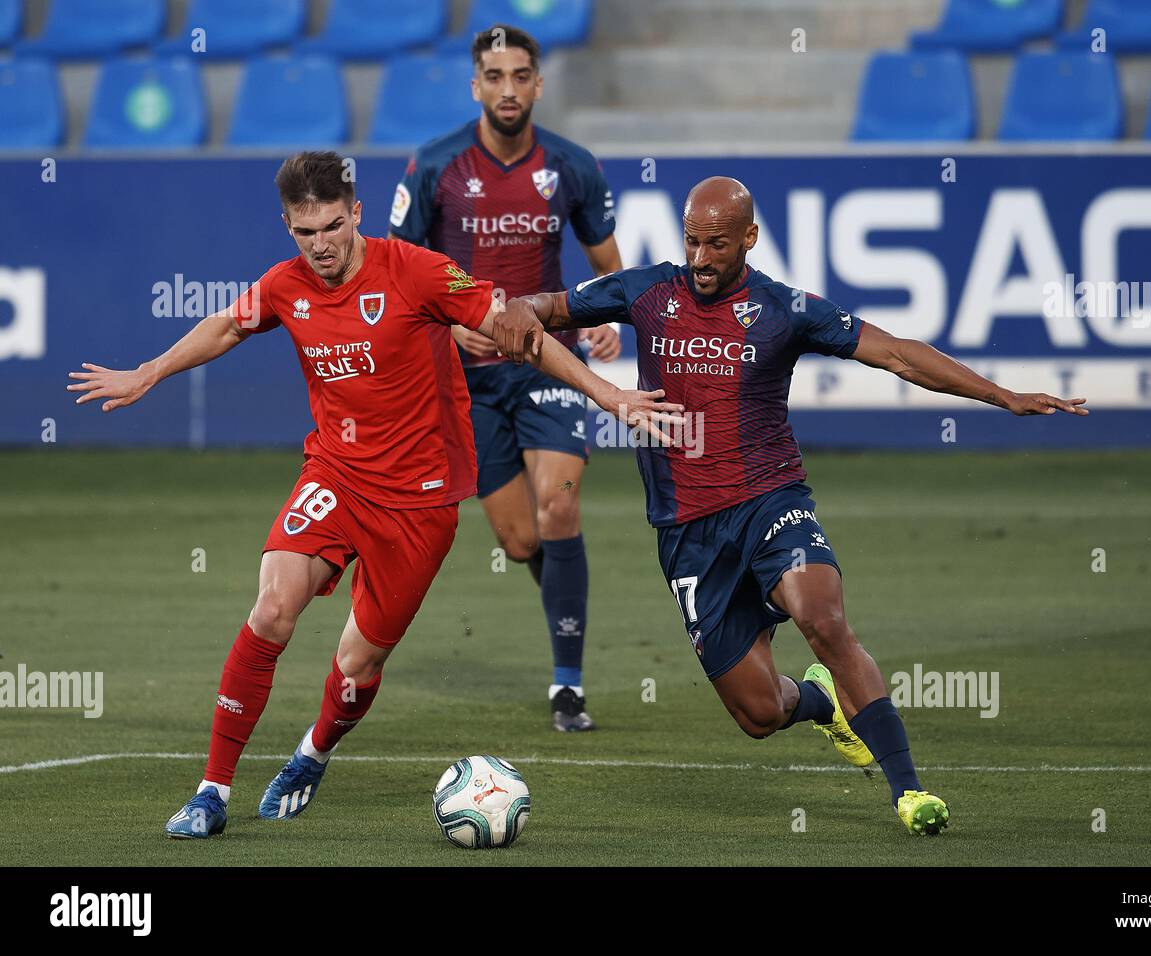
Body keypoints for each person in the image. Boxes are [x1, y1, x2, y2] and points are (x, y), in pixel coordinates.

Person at [66, 151, 680, 839]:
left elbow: (520, 331)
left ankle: (314, 750)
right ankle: (211, 790)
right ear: (287, 227)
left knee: (358, 663)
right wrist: (150, 372)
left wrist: (611, 395)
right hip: (334, 475)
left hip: (420, 503)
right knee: (272, 607)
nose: (320, 245)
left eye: (332, 226)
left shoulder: (416, 272)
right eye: (305, 233)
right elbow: (230, 325)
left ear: (356, 213)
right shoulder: (286, 284)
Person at [491, 176, 1090, 835]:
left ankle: (909, 791)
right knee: (759, 715)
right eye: (691, 241)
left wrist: (1001, 395)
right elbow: (543, 307)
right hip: (686, 531)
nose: (700, 257)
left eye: (716, 244)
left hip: (769, 500)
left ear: (749, 238)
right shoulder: (645, 292)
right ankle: (818, 704)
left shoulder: (786, 310)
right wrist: (518, 310)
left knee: (822, 617)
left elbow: (895, 354)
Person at [389, 25, 623, 732]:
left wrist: (608, 314)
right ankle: (562, 606)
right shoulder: (434, 167)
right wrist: (445, 323)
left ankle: (567, 685)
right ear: (476, 85)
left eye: (521, 75)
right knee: (522, 542)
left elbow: (610, 263)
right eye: (495, 76)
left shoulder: (572, 167)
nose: (509, 89)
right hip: (469, 380)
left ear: (539, 84)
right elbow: (397, 276)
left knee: (559, 508)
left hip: (547, 362)